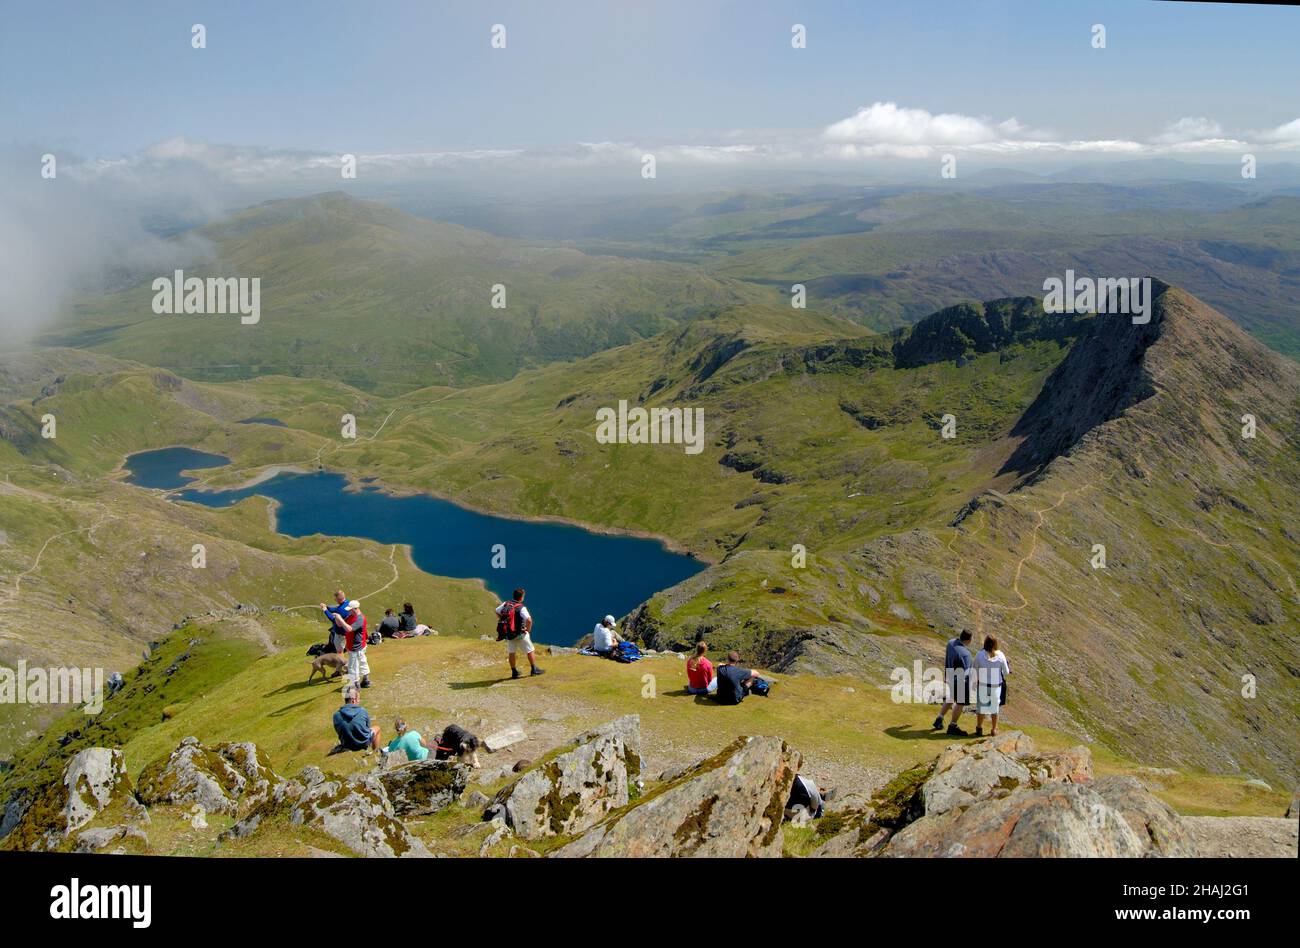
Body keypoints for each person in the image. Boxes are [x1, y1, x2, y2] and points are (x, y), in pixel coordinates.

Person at [495, 587, 543, 679]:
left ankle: (514, 672)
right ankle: (534, 669)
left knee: (511, 652)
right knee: (530, 650)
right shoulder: (521, 608)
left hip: (509, 633)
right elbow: (529, 620)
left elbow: (496, 611)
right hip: (520, 634)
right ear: (521, 597)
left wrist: (502, 619)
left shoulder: (506, 603)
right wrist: (527, 630)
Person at [932, 629, 973, 736]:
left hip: (950, 676)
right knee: (960, 703)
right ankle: (952, 726)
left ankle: (939, 719)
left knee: (951, 698)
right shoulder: (966, 654)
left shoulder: (950, 643)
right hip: (960, 681)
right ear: (969, 640)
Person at [973, 635, 1010, 737]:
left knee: (981, 707)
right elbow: (1006, 672)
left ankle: (979, 728)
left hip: (983, 685)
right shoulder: (1000, 655)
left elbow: (974, 669)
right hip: (995, 686)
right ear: (995, 644)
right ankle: (994, 729)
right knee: (994, 708)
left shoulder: (979, 655)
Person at [331, 599, 371, 688]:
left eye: (350, 609)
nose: (349, 611)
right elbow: (341, 624)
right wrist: (337, 618)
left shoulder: (360, 618)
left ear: (355, 609)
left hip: (356, 646)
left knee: (353, 666)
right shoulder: (351, 616)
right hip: (357, 645)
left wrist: (340, 618)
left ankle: (356, 684)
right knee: (361, 662)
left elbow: (349, 629)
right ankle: (365, 680)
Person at [331, 685, 380, 752]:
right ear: (354, 700)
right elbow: (367, 728)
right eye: (358, 699)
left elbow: (339, 731)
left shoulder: (336, 715)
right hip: (363, 743)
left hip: (346, 744)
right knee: (377, 728)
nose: (359, 701)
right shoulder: (362, 711)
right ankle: (375, 751)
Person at [319, 589, 350, 653]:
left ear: (339, 599)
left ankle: (342, 662)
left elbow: (333, 620)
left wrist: (325, 610)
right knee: (345, 648)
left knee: (340, 651)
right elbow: (336, 609)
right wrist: (327, 607)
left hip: (341, 634)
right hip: (344, 632)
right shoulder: (346, 603)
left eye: (335, 599)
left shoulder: (342, 609)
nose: (335, 600)